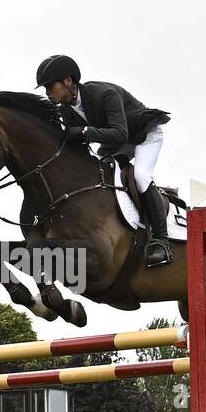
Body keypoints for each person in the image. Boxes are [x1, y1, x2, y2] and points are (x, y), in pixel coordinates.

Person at [36, 54, 173, 267]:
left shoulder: (103, 94)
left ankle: (161, 242)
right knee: (94, 170)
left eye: (50, 86)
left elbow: (120, 134)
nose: (47, 93)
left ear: (68, 81)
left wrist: (83, 131)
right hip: (117, 141)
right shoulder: (66, 108)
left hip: (144, 135)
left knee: (141, 175)